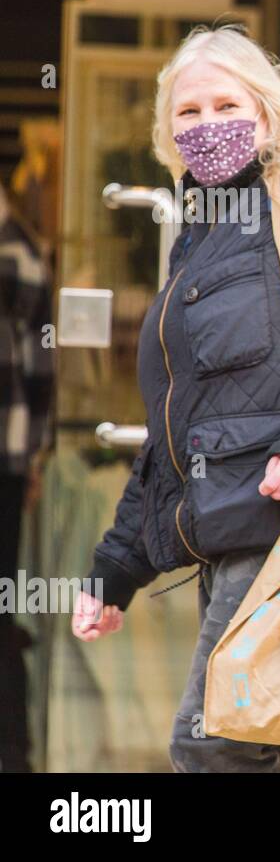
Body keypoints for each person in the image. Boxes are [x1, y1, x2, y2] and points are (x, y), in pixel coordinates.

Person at [70, 24, 280, 772]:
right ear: (167, 131)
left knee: (213, 747)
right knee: (244, 750)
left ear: (265, 113)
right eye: (188, 112)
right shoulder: (199, 233)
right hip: (226, 534)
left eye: (226, 104)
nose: (207, 125)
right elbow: (180, 432)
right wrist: (116, 570)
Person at [0, 181, 55, 773]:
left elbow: (41, 369)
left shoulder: (15, 253)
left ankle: (14, 750)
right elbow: (41, 371)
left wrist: (33, 454)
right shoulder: (20, 249)